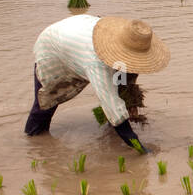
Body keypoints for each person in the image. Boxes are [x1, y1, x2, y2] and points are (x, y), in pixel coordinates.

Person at [25, 14, 170, 152]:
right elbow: (110, 102)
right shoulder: (96, 64)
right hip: (52, 47)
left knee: (119, 83)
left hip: (75, 33)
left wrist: (130, 102)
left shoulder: (119, 34)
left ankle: (110, 129)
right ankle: (33, 141)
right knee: (46, 102)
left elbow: (122, 78)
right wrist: (138, 146)